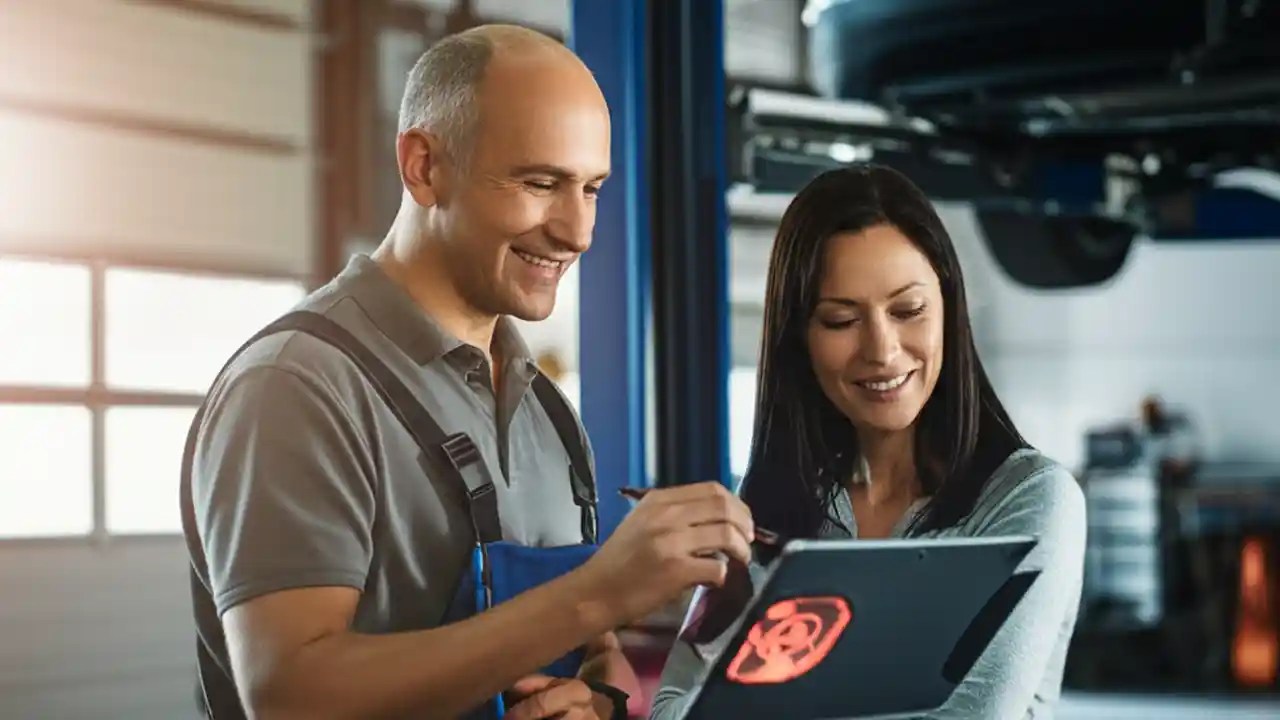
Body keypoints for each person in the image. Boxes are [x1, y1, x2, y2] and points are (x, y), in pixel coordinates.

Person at [180, 25, 755, 720]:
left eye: (592, 189)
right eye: (541, 183)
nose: (577, 231)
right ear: (424, 166)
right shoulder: (296, 389)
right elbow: (289, 695)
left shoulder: (548, 414)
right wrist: (603, 589)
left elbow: (589, 650)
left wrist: (595, 701)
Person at [648, 164, 1087, 720]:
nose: (881, 350)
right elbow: (671, 707)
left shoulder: (1030, 500)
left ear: (949, 308)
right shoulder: (775, 507)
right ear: (799, 339)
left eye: (908, 311)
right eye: (840, 320)